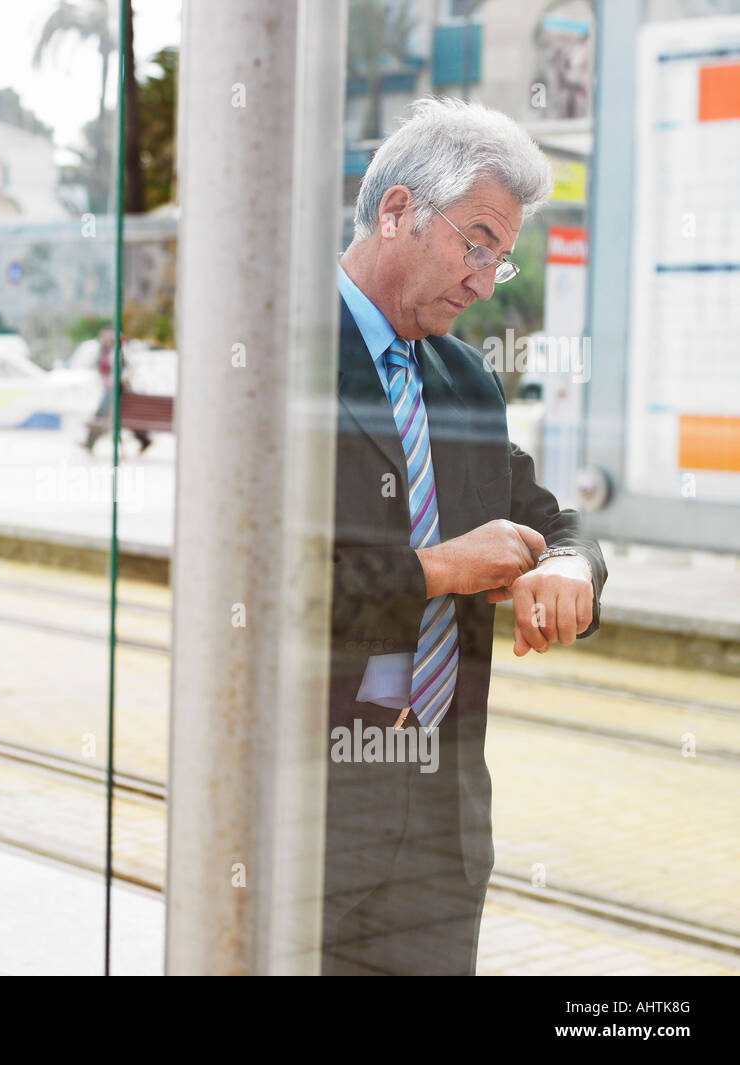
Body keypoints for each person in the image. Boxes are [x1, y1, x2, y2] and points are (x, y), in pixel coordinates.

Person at [323, 97, 608, 975]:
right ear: (399, 209)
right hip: (309, 819)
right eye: (476, 242)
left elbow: (554, 517)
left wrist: (568, 567)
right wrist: (440, 568)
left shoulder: (465, 382)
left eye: (500, 256)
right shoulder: (275, 354)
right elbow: (255, 587)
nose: (487, 280)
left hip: (441, 833)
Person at [83, 325, 152, 453]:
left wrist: (117, 379)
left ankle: (89, 442)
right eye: (103, 334)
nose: (106, 337)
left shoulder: (120, 349)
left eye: (108, 334)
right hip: (109, 387)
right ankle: (144, 439)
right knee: (119, 416)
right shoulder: (102, 350)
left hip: (118, 388)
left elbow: (128, 369)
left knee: (101, 414)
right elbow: (98, 367)